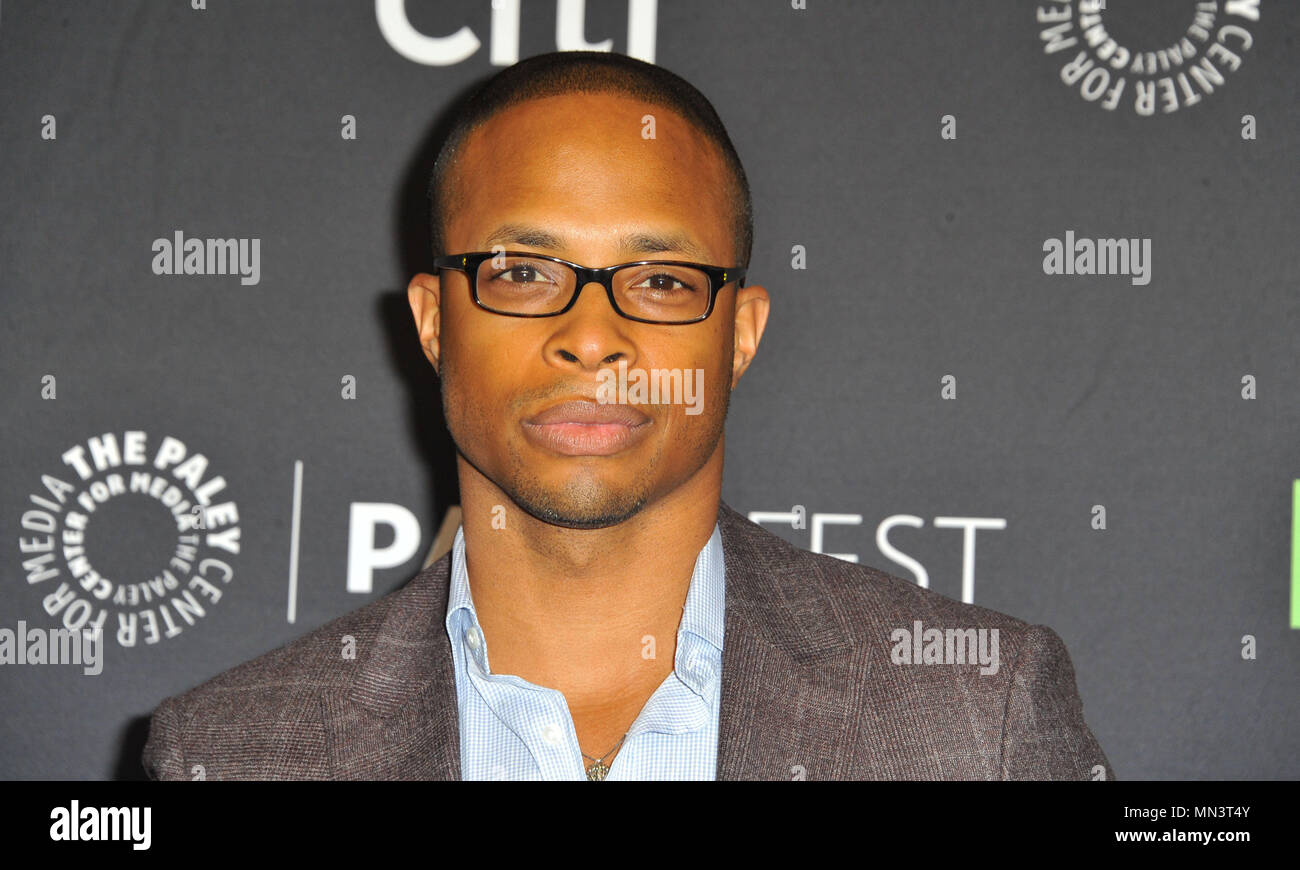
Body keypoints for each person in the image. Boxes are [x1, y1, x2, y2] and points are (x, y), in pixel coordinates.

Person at [143, 50, 1111, 781]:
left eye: (658, 280)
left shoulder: (971, 721)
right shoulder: (226, 754)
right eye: (522, 274)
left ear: (739, 331)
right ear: (434, 324)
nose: (591, 335)